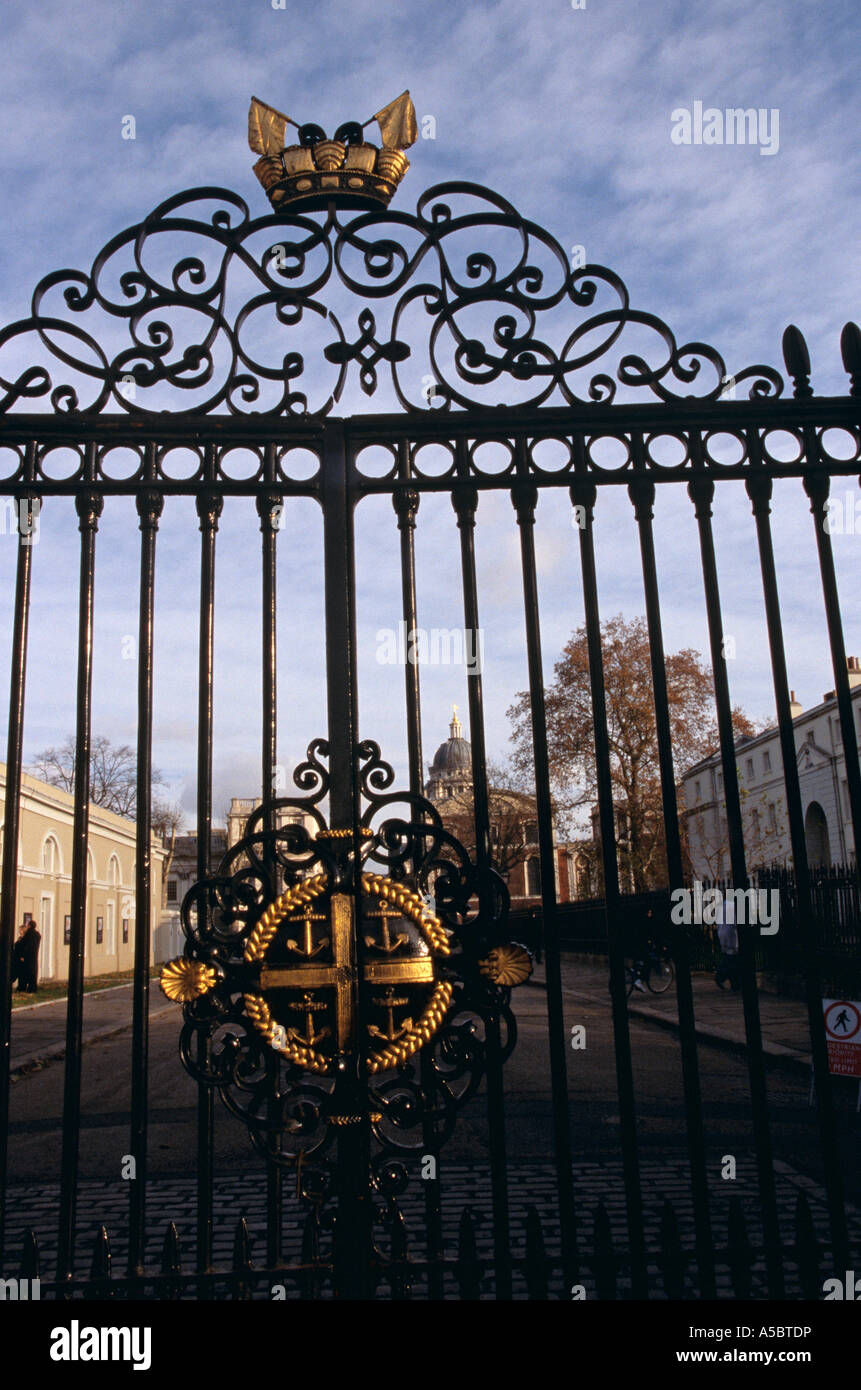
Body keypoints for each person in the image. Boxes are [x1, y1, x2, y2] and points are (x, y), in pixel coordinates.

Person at [714, 896, 740, 991]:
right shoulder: (733, 906)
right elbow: (736, 921)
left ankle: (733, 982)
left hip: (722, 932)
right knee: (732, 959)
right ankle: (721, 977)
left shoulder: (722, 906)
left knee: (730, 957)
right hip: (731, 934)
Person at [13, 920, 41, 994]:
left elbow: (25, 946)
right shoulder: (38, 935)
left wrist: (22, 955)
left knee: (23, 974)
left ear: (29, 926)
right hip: (34, 957)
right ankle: (32, 988)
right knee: (33, 974)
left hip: (26, 957)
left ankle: (22, 987)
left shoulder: (28, 934)